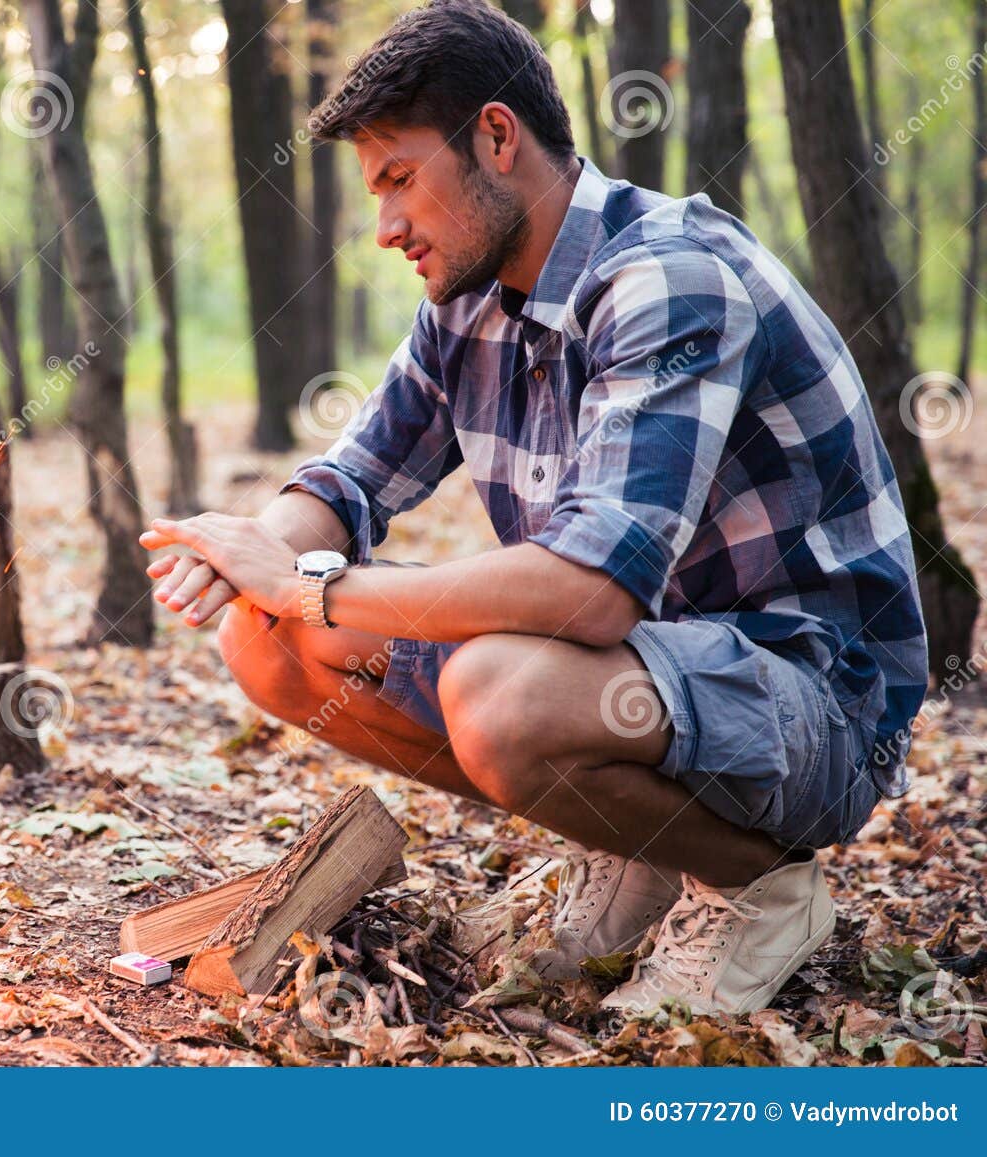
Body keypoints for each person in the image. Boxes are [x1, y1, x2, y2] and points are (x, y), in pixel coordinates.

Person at [139, 0, 926, 1015]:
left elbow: (590, 596)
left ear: (496, 139)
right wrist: (247, 554)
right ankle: (636, 852)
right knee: (264, 639)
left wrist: (309, 583)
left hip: (811, 705)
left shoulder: (667, 280)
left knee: (498, 695)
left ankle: (756, 885)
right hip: (647, 680)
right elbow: (349, 481)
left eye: (398, 180)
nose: (383, 228)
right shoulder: (465, 302)